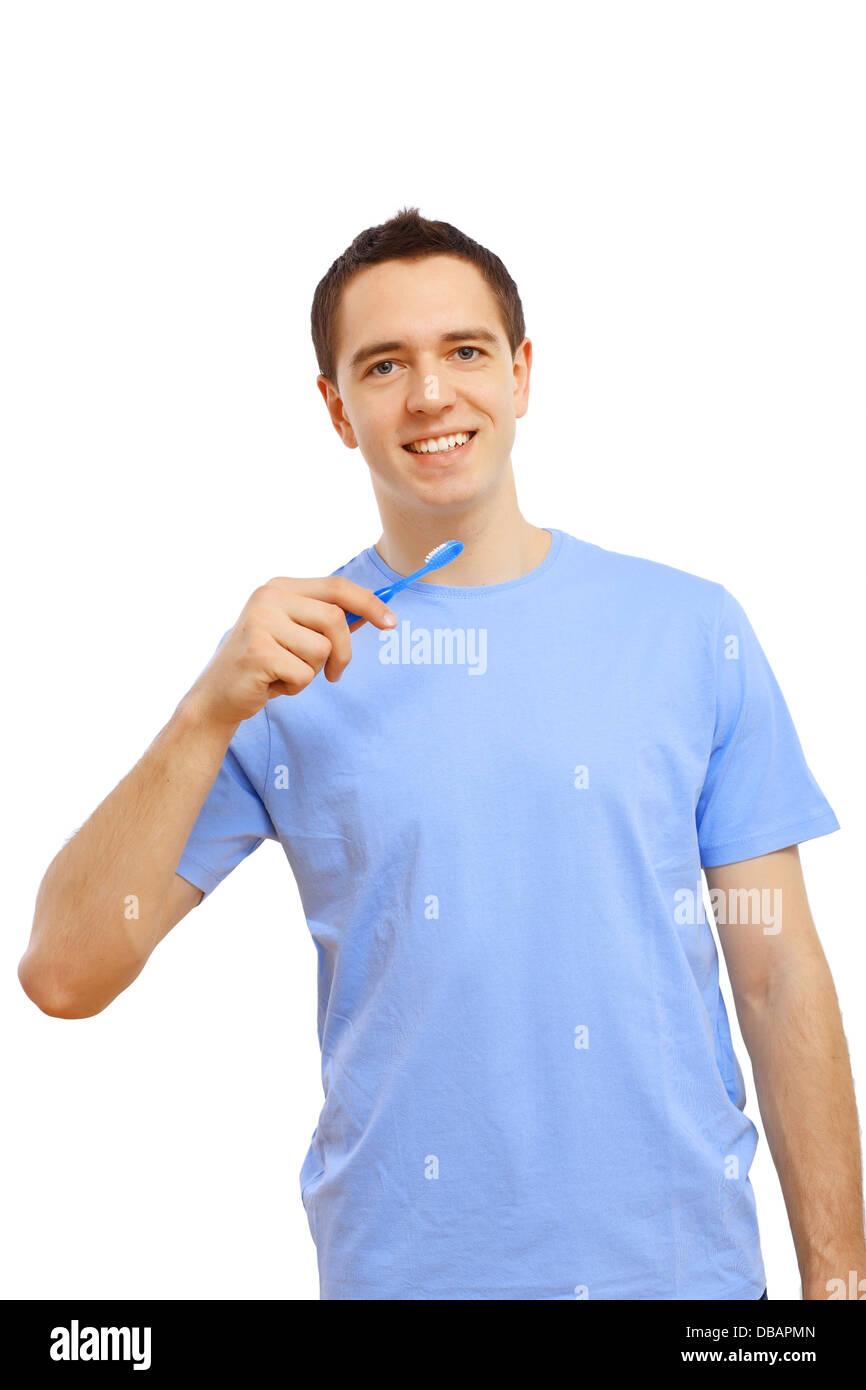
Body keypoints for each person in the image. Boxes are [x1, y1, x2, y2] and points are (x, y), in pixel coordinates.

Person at [20, 207, 865, 1302]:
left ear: (519, 373)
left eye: (463, 351)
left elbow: (775, 966)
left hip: (683, 1288)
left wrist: (835, 1285)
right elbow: (65, 971)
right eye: (384, 365)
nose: (429, 395)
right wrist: (202, 714)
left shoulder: (687, 629)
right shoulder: (280, 675)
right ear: (335, 408)